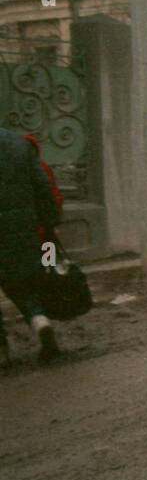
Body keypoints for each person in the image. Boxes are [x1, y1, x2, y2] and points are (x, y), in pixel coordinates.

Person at [0, 127, 61, 367]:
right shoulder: (18, 144)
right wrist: (49, 223)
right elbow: (42, 185)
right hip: (22, 226)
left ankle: (2, 351)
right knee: (20, 283)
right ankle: (39, 320)